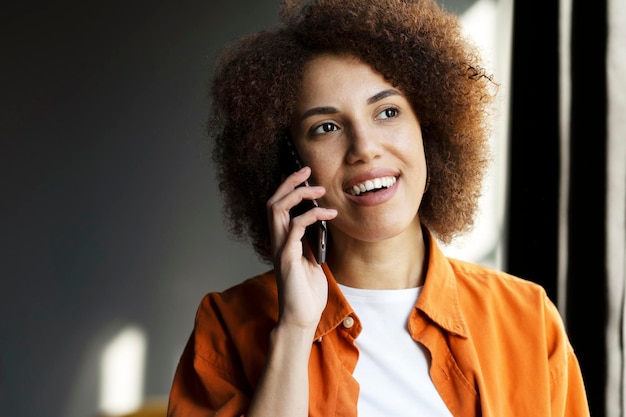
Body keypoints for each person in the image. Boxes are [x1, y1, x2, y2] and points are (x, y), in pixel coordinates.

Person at [167, 0, 591, 415]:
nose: (365, 149)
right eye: (326, 127)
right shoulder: (226, 325)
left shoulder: (526, 316)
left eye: (387, 112)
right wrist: (295, 331)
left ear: (428, 128)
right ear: (291, 162)